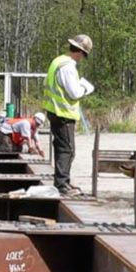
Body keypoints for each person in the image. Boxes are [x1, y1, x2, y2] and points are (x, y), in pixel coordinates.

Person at [43, 34, 95, 195]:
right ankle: (62, 184)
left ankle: (63, 181)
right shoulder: (67, 67)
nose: (82, 59)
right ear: (80, 52)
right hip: (63, 114)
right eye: (84, 55)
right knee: (67, 150)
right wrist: (86, 88)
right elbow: (74, 93)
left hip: (56, 111)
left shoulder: (58, 61)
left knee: (62, 148)